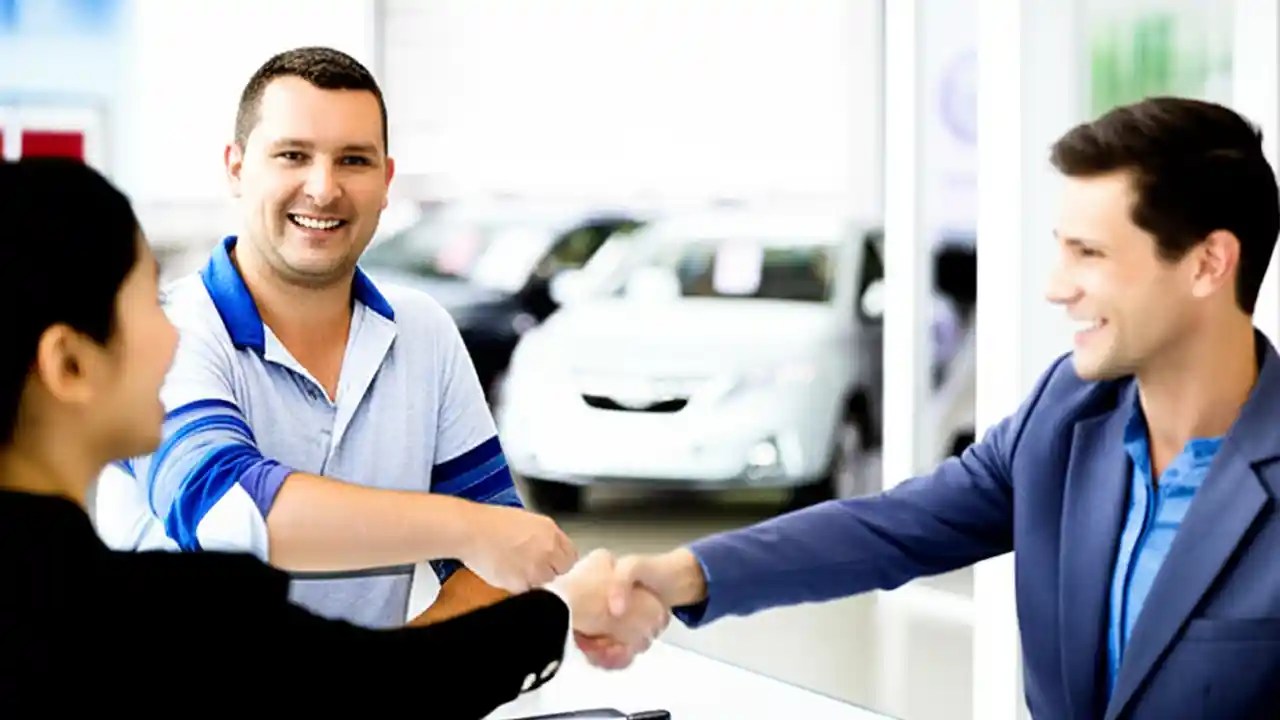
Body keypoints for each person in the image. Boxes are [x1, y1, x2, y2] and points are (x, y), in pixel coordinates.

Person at [601, 97, 1280, 719]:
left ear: (1207, 264)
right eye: (1059, 248)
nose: (1055, 287)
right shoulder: (1067, 414)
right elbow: (892, 527)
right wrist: (680, 575)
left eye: (1089, 253)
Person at [0, 157, 669, 715]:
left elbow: (373, 681)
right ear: (69, 364)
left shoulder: (425, 328)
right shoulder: (143, 621)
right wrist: (549, 598)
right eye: (147, 305)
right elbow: (369, 682)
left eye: (352, 158)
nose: (169, 332)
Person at [93, 46, 576, 630]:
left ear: (386, 180)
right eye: (293, 155)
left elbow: (502, 565)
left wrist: (372, 680)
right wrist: (467, 527)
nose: (323, 189)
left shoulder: (423, 333)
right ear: (237, 169)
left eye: (353, 160)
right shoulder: (164, 329)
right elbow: (231, 513)